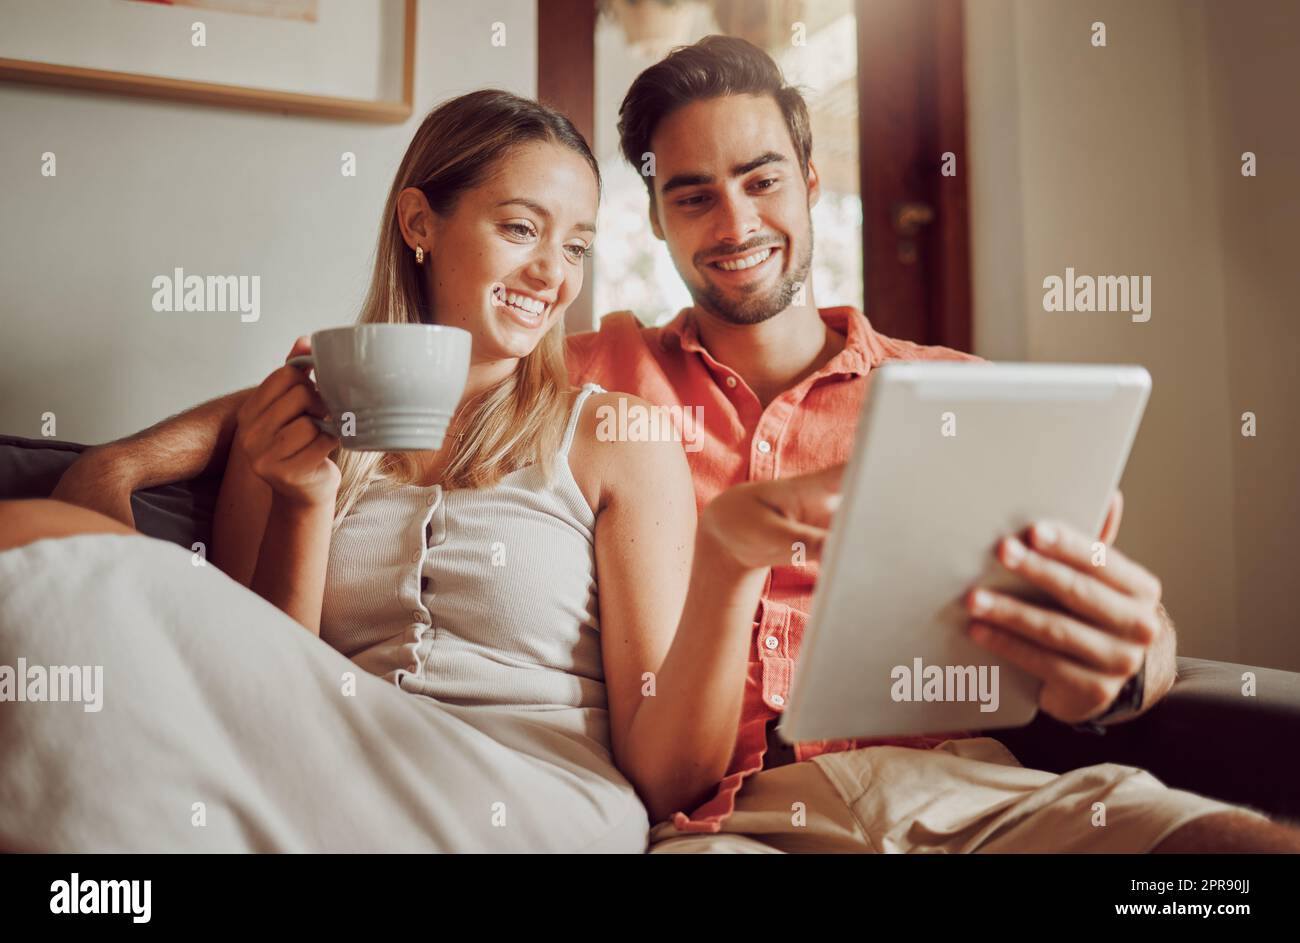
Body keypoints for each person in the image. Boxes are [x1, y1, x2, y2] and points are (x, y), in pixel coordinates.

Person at [43, 38, 1300, 852]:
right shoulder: (575, 383)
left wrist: (1127, 672)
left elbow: (1092, 631)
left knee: (1235, 862)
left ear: (810, 181)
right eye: (691, 192)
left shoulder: (958, 397)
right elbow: (348, 388)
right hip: (735, 820)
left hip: (979, 788)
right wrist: (114, 468)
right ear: (654, 213)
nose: (734, 220)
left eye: (761, 179)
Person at [0, 88, 845, 853]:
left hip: (536, 798)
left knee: (29, 538)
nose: (554, 276)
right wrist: (301, 503)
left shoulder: (616, 435)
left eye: (577, 246)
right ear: (419, 223)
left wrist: (729, 567)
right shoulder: (291, 423)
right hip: (325, 770)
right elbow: (264, 687)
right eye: (521, 229)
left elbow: (667, 779)